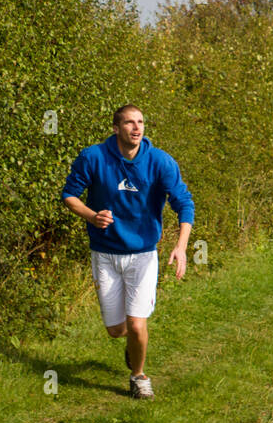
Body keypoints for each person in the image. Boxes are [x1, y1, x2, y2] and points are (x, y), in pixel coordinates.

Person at [61, 104, 194, 397]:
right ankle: (133, 349)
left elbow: (184, 202)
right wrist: (91, 216)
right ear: (116, 128)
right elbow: (69, 195)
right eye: (130, 123)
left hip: (143, 255)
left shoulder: (160, 162)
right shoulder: (93, 157)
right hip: (105, 254)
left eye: (141, 122)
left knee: (136, 324)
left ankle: (138, 376)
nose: (137, 128)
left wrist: (181, 246)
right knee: (116, 330)